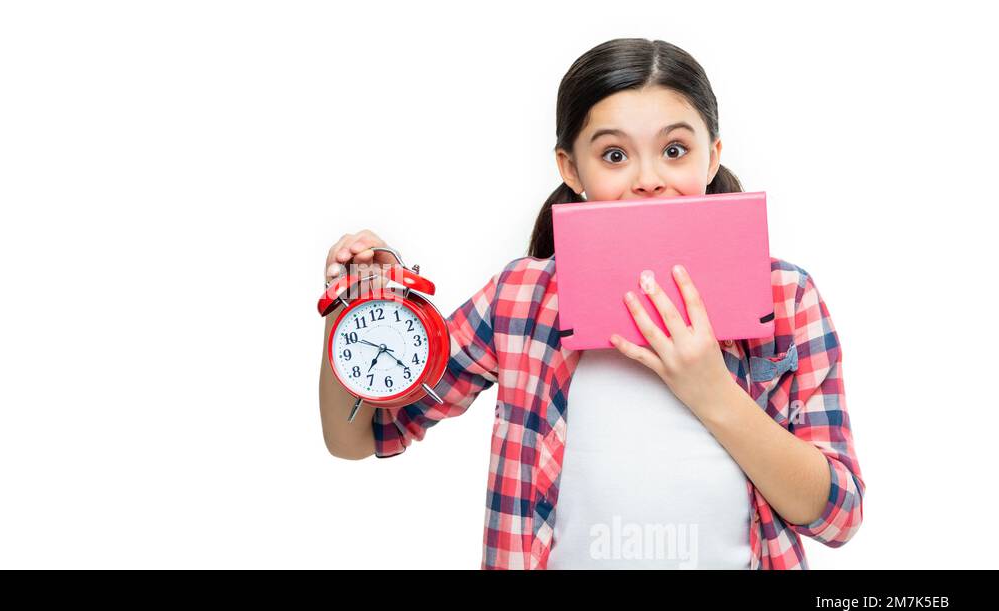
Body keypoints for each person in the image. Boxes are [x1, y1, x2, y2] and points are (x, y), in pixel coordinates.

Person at [318, 38, 863, 570]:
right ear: (571, 169)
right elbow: (358, 436)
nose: (648, 180)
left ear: (712, 156)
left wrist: (713, 391)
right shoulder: (521, 299)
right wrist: (359, 307)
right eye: (614, 155)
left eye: (675, 151)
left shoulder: (785, 298)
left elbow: (839, 516)